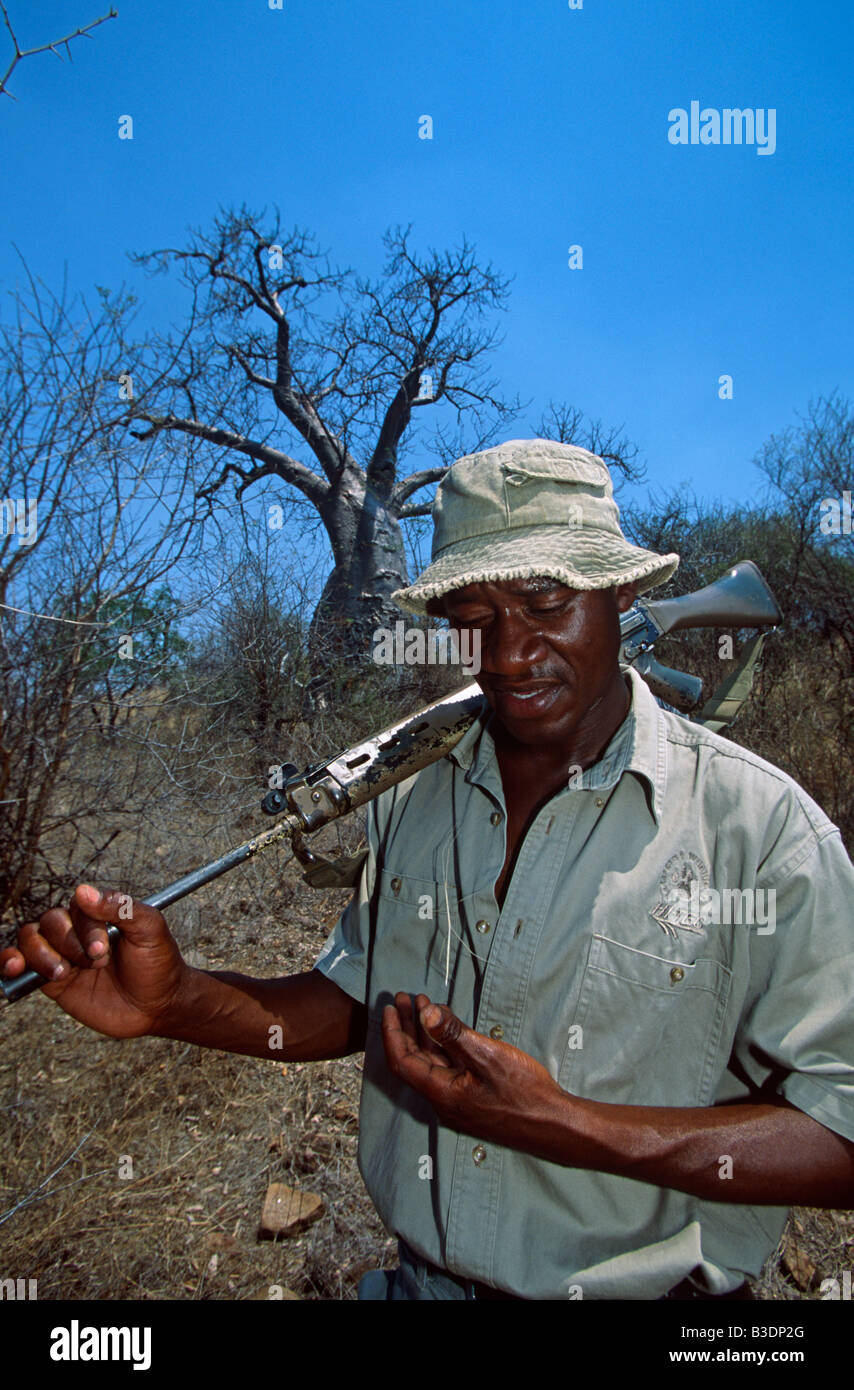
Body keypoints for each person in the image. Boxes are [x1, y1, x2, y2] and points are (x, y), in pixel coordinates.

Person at [3, 439, 853, 1302]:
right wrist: (177, 1001)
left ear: (625, 594)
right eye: (475, 617)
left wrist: (569, 1127)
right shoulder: (412, 793)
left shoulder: (763, 832)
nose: (510, 655)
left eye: (548, 601)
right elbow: (355, 1004)